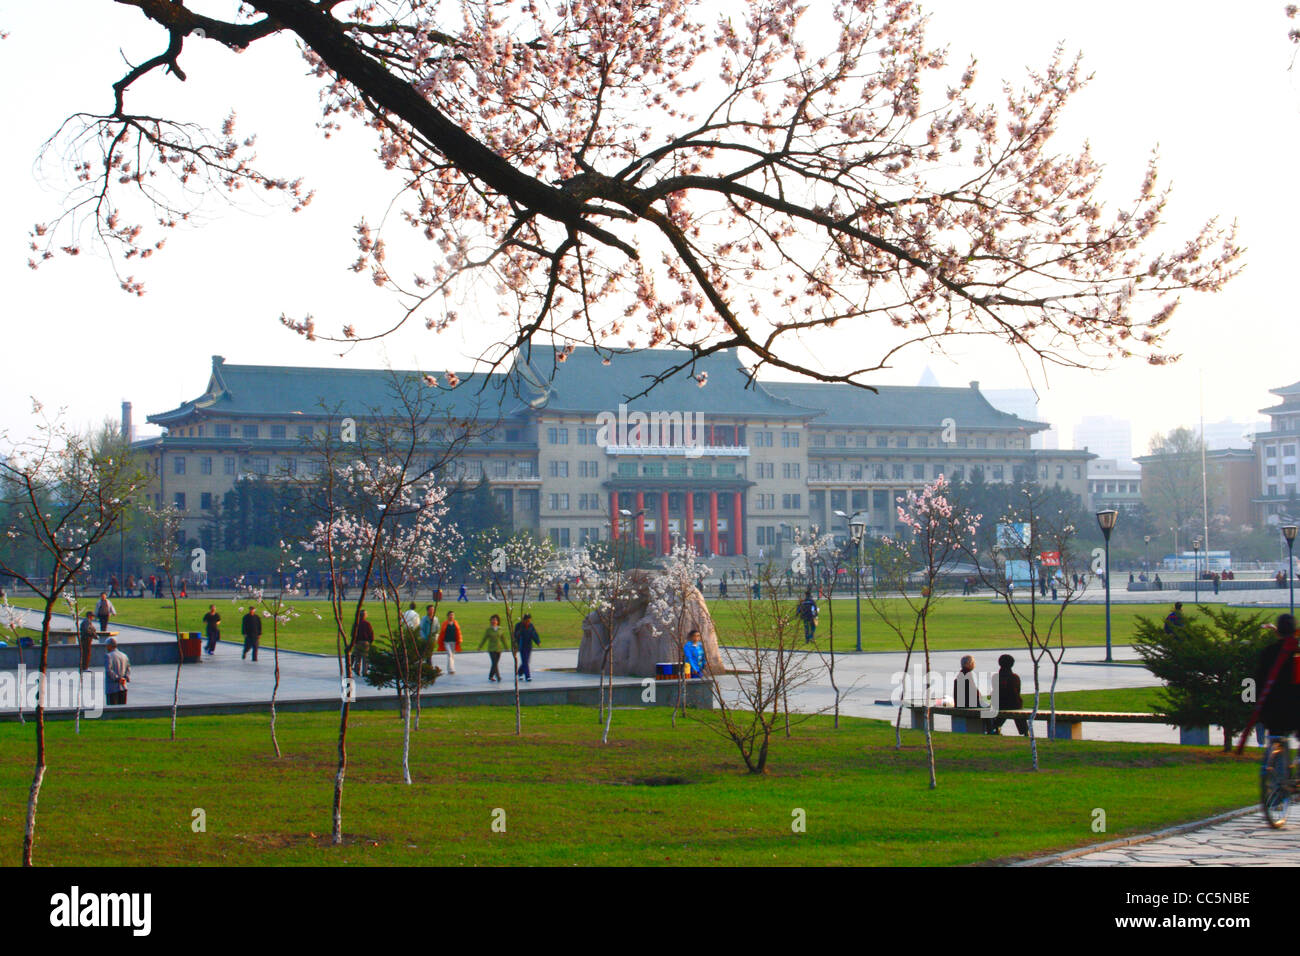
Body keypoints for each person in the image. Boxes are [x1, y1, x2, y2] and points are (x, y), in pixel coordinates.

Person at [1255, 614, 1300, 739]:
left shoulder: (1267, 653)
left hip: (1272, 712)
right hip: (1295, 712)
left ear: (1277, 632)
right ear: (1295, 632)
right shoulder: (1297, 654)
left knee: (1275, 736)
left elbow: (1258, 681)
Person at [988, 654, 1028, 735]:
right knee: (1017, 710)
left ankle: (996, 727)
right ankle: (1024, 731)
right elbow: (1017, 692)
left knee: (1001, 710)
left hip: (999, 705)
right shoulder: (1015, 677)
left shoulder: (995, 677)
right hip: (1014, 705)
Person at [479, 614, 508, 682]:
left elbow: (503, 639)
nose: (493, 621)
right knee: (494, 663)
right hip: (491, 649)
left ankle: (491, 676)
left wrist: (506, 647)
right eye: (492, 620)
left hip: (498, 649)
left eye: (495, 620)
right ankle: (498, 676)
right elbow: (484, 639)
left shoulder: (500, 629)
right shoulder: (489, 630)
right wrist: (480, 647)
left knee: (495, 663)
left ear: (497, 621)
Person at [513, 613, 540, 682]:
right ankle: (528, 676)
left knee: (526, 661)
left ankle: (519, 672)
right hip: (522, 645)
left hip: (529, 646)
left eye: (529, 621)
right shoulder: (519, 626)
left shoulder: (531, 626)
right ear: (523, 620)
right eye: (527, 621)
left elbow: (534, 634)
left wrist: (538, 641)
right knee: (525, 661)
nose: (528, 622)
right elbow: (515, 635)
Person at [104, 637, 131, 706]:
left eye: (107, 646)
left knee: (112, 710)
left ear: (110, 646)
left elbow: (109, 670)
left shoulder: (108, 656)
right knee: (122, 711)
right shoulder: (124, 655)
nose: (106, 647)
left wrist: (118, 679)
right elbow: (128, 669)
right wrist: (124, 678)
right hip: (123, 687)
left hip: (112, 688)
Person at [350, 609, 374, 676]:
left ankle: (357, 670)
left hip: (358, 642)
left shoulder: (356, 623)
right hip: (365, 643)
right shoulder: (367, 624)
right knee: (365, 658)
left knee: (358, 657)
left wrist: (354, 641)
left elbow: (352, 634)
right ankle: (364, 671)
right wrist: (370, 641)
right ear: (365, 615)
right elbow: (371, 634)